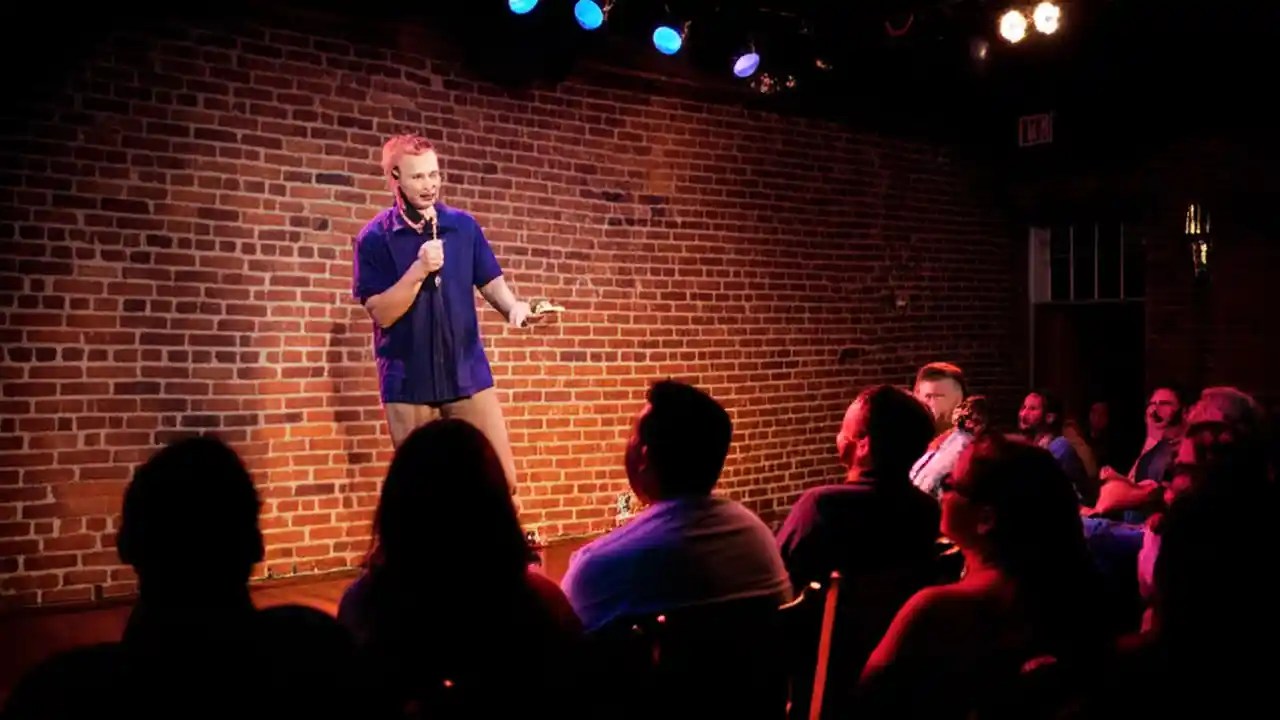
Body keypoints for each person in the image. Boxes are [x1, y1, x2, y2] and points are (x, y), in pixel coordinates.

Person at [351, 132, 542, 491]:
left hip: (467, 376)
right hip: (409, 385)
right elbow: (382, 313)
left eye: (434, 174)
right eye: (418, 176)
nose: (429, 185)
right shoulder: (374, 238)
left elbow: (490, 282)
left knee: (499, 483)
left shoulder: (463, 226)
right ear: (395, 177)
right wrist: (419, 270)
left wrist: (515, 308)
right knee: (423, 495)